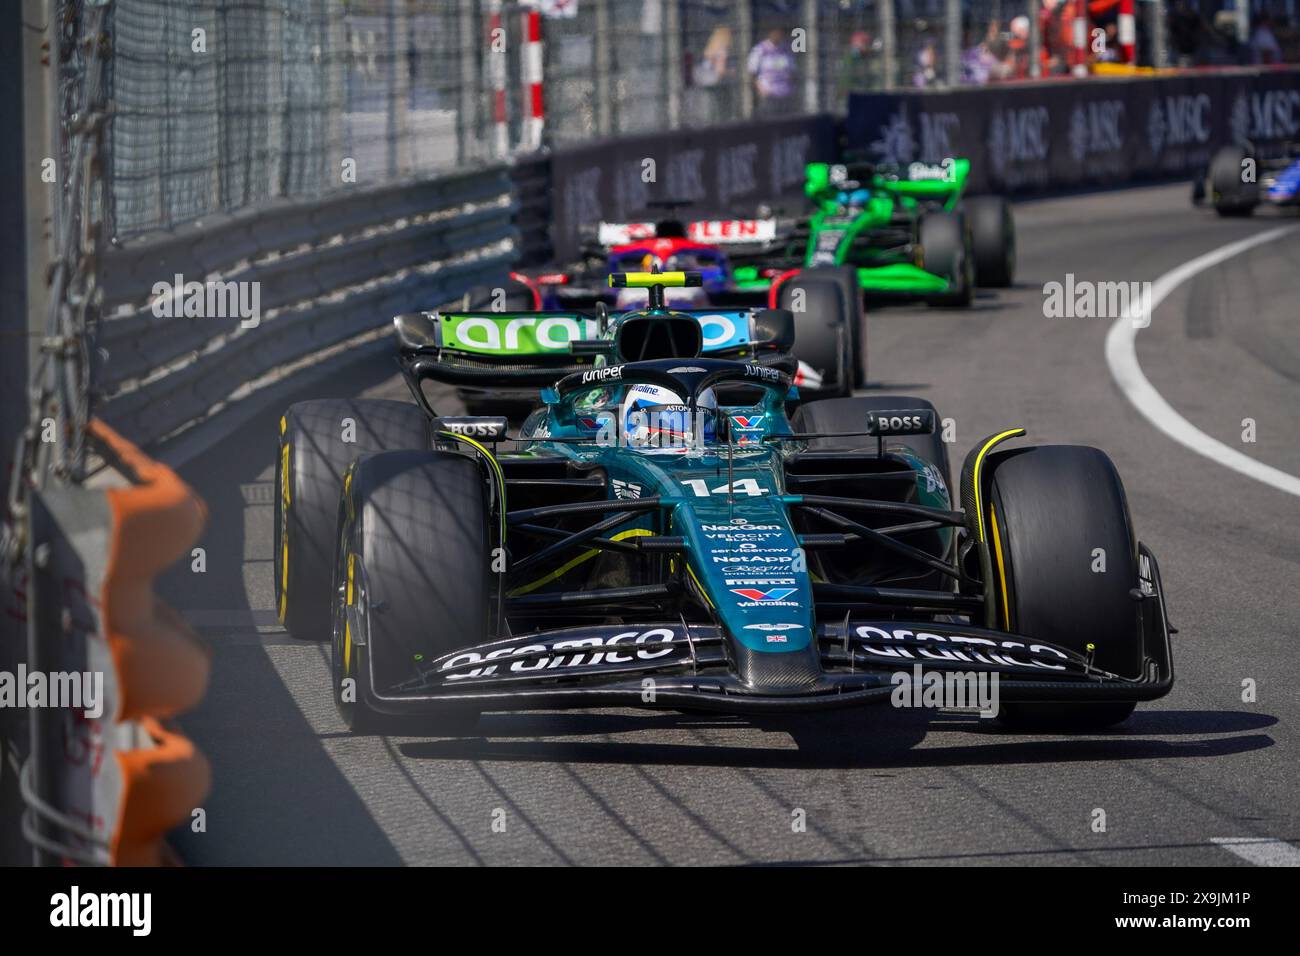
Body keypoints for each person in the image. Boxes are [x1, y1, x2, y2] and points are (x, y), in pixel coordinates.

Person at [747, 28, 798, 115]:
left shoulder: (786, 49)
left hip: (785, 93)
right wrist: (760, 87)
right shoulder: (760, 49)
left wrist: (792, 86)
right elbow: (752, 71)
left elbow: (792, 70)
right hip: (769, 93)